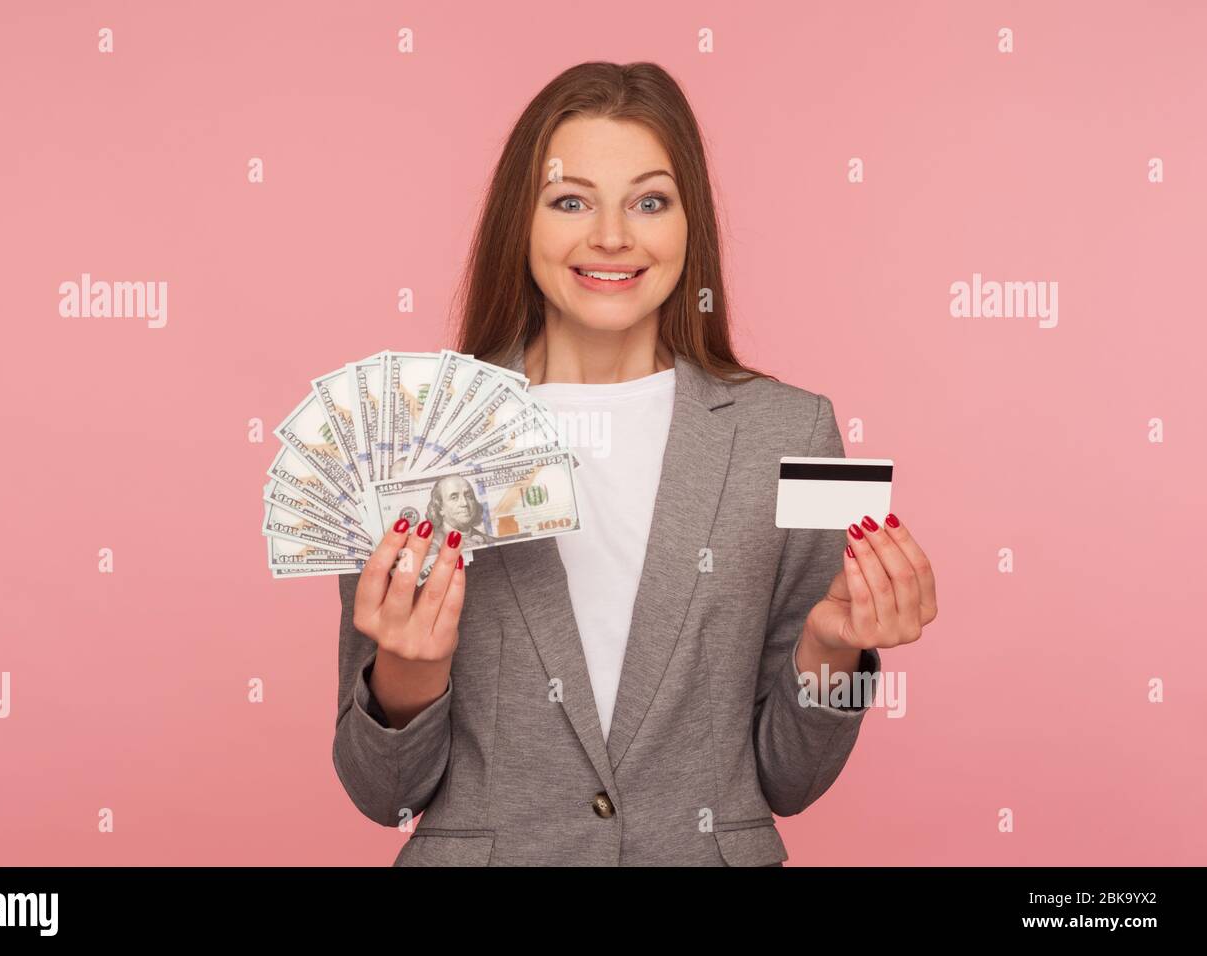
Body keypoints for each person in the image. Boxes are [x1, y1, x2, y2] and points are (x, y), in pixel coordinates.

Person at [332, 61, 938, 866]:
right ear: (523, 220)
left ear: (692, 225)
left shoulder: (796, 432)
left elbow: (790, 783)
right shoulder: (412, 435)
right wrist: (411, 665)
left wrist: (839, 656)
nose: (611, 236)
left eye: (649, 201)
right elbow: (382, 794)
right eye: (570, 200)